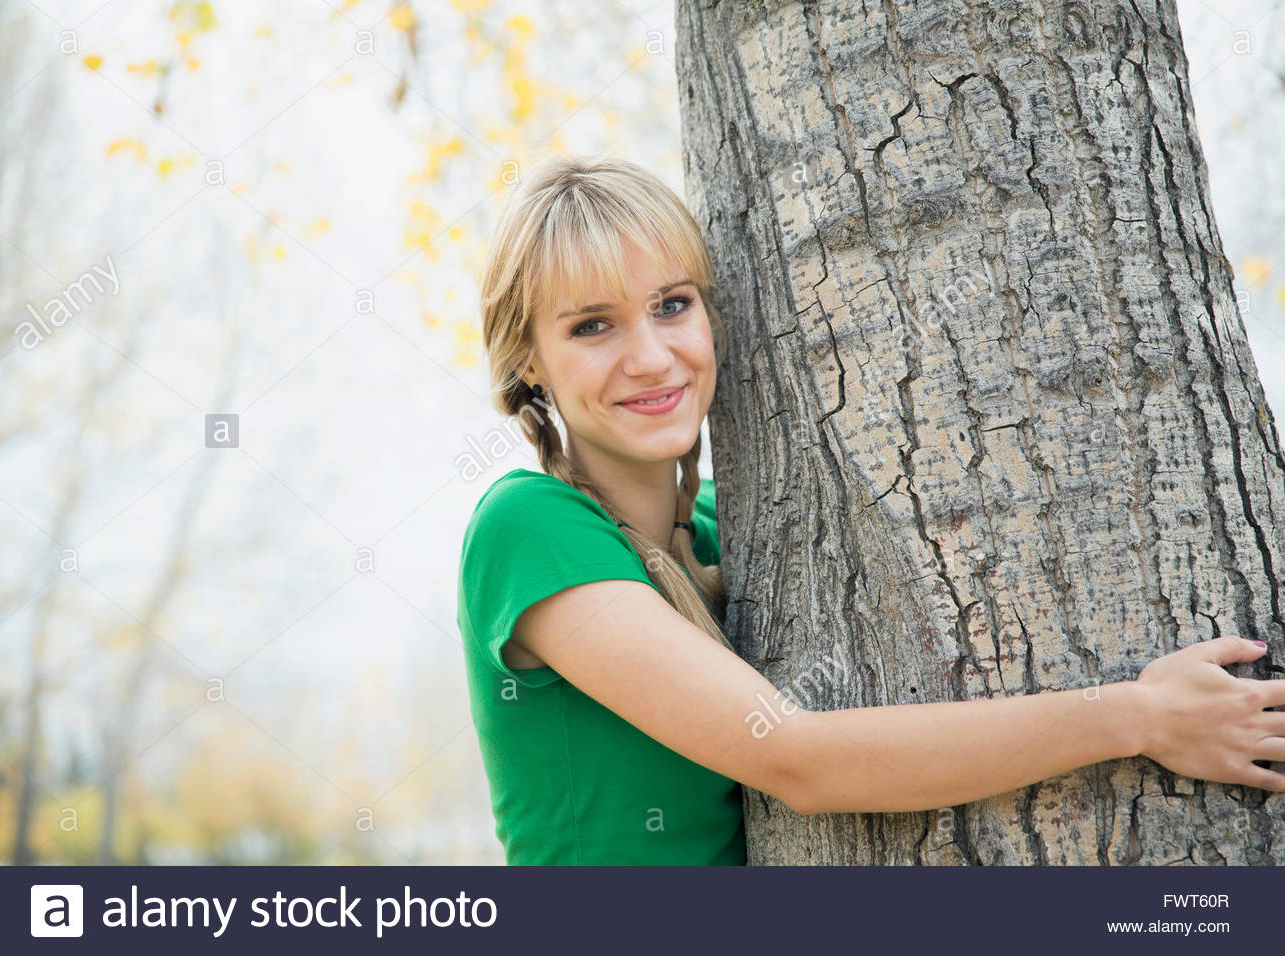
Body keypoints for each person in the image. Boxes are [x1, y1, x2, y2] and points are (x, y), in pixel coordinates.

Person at [456, 154, 1285, 866]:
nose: (650, 356)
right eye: (593, 325)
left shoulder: (726, 527)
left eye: (672, 304)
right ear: (529, 359)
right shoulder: (527, 528)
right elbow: (797, 760)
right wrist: (1138, 716)